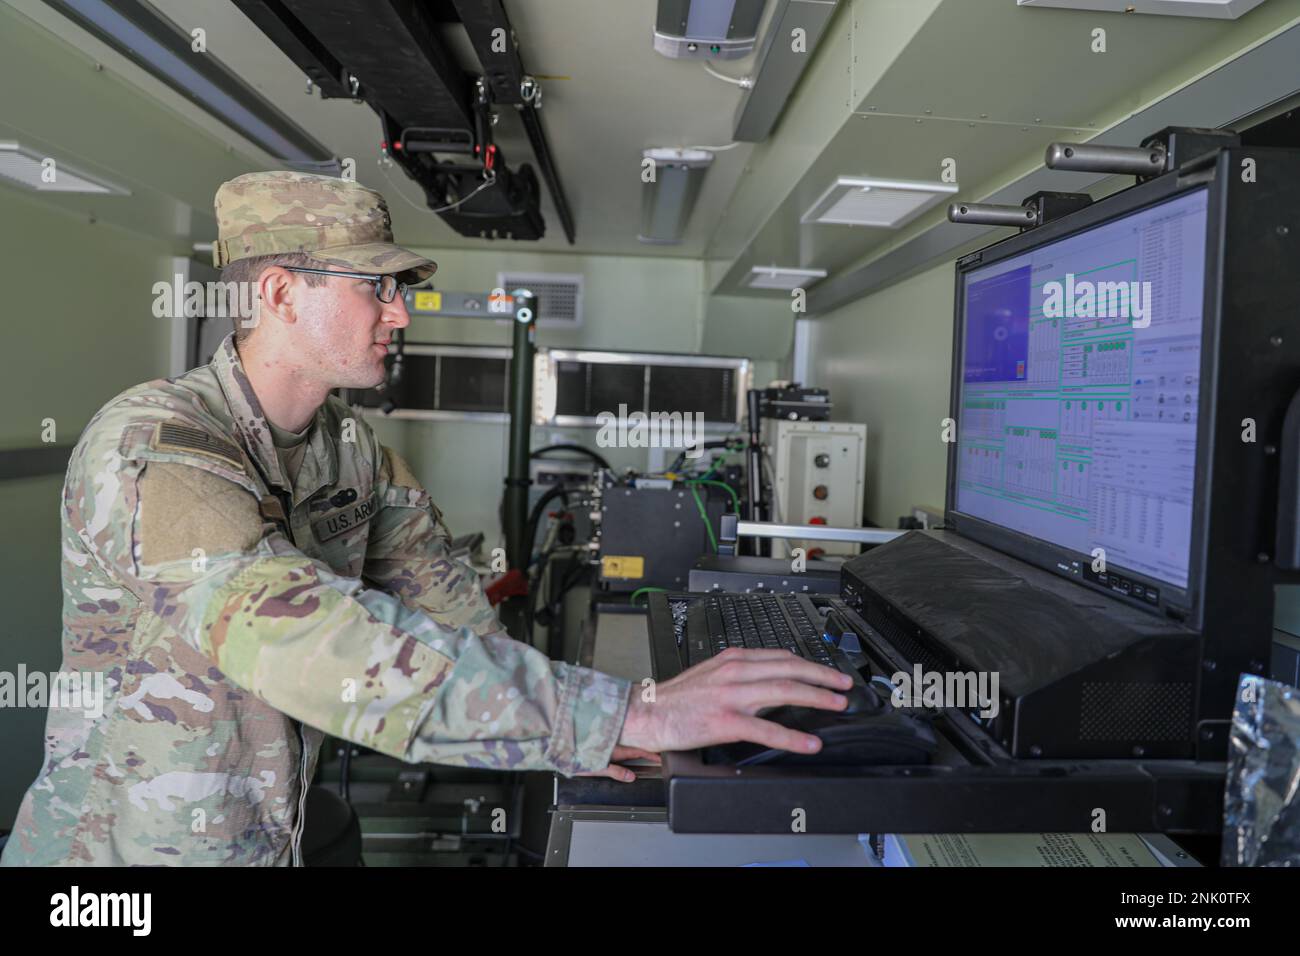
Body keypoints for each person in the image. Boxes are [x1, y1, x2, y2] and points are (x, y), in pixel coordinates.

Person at [0, 171, 852, 866]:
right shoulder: (155, 448)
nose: (401, 313)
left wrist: (589, 735)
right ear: (280, 293)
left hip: (271, 837)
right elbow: (310, 641)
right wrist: (628, 711)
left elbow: (461, 621)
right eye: (376, 287)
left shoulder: (352, 455)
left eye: (400, 290)